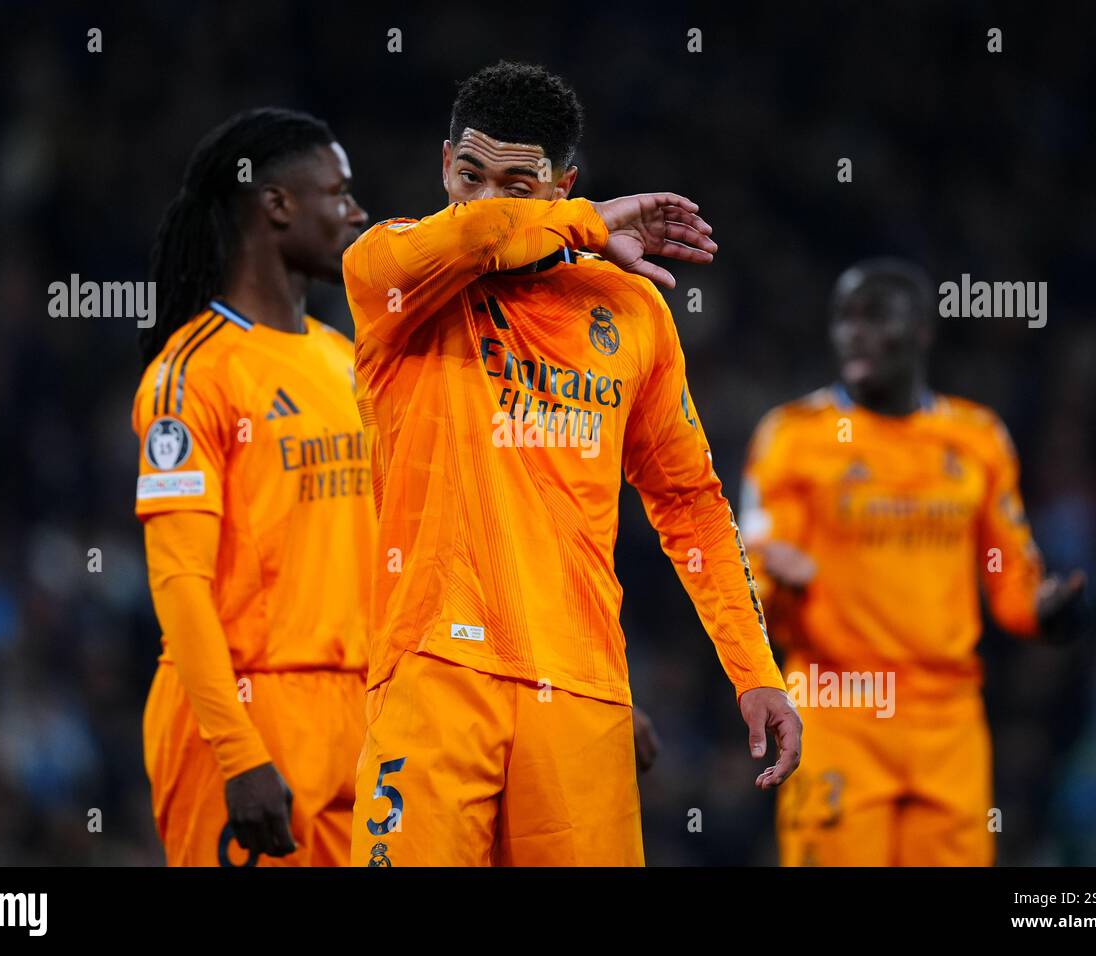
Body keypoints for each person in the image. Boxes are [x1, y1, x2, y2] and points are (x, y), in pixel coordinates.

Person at [342, 61, 800, 867]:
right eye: (470, 174)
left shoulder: (632, 311)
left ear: (561, 186)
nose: (486, 199)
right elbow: (479, 235)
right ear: (443, 164)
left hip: (581, 686)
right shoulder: (394, 275)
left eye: (518, 184)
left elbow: (690, 504)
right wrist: (589, 220)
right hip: (436, 672)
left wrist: (754, 669)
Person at [740, 257, 1086, 866]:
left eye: (874, 318)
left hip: (945, 719)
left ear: (922, 330)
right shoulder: (795, 436)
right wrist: (775, 583)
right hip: (837, 706)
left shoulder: (977, 438)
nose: (854, 332)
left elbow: (1009, 575)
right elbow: (754, 579)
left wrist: (1042, 611)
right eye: (843, 318)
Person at [133, 107, 372, 865]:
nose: (358, 214)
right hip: (246, 714)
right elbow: (178, 582)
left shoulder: (347, 359)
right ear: (277, 205)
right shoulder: (193, 373)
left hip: (359, 714)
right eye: (339, 193)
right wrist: (239, 755)